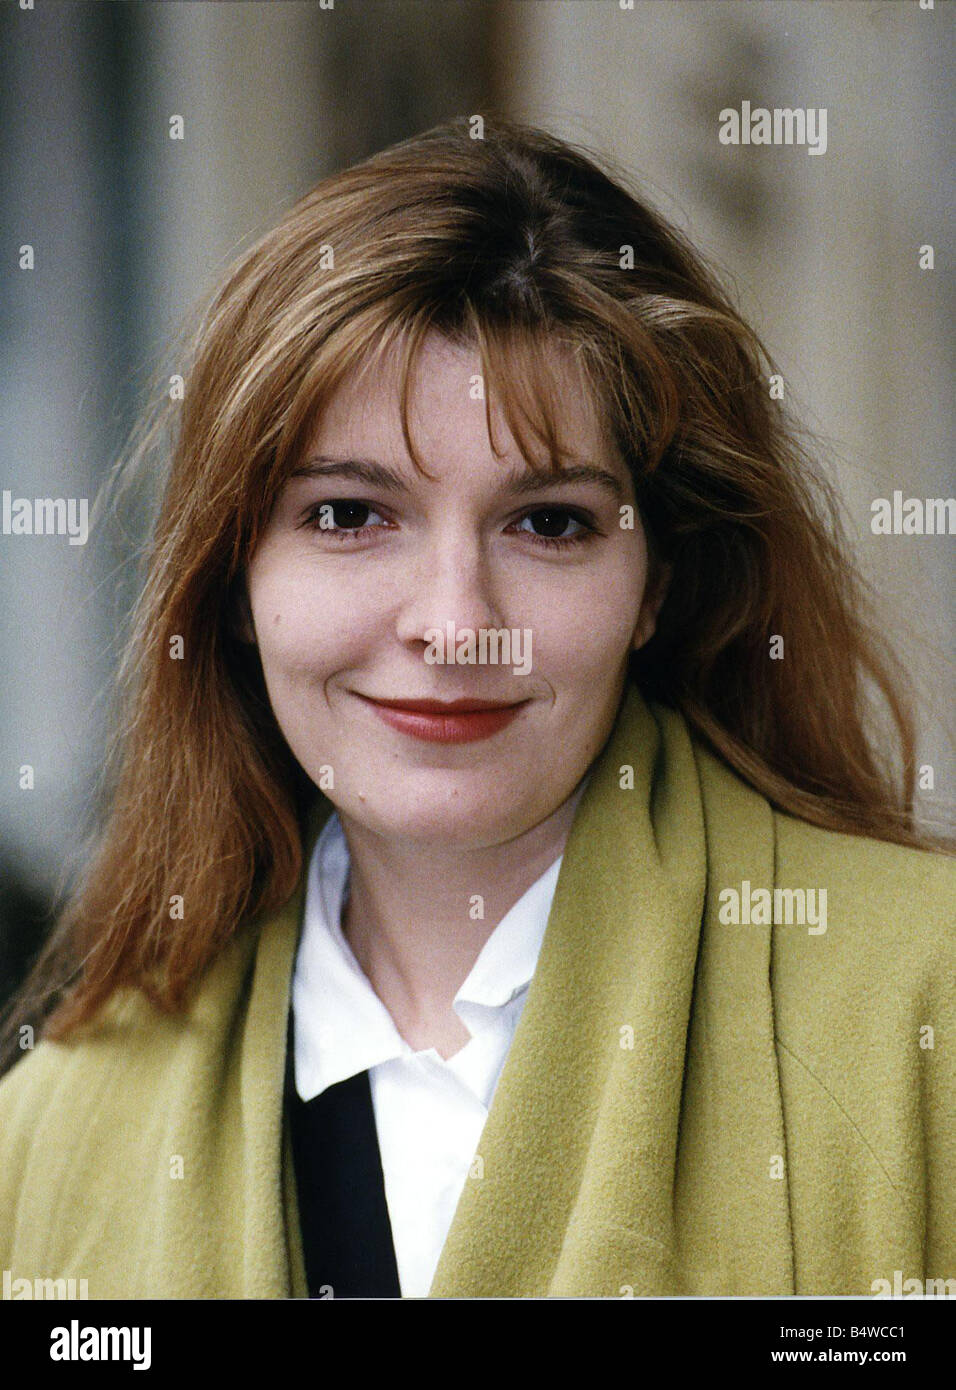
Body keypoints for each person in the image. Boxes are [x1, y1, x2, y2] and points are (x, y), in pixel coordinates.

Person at [0, 115, 952, 1300]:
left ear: (653, 582)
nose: (454, 625)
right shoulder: (50, 1137)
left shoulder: (928, 1003)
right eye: (350, 514)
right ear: (233, 581)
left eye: (546, 522)